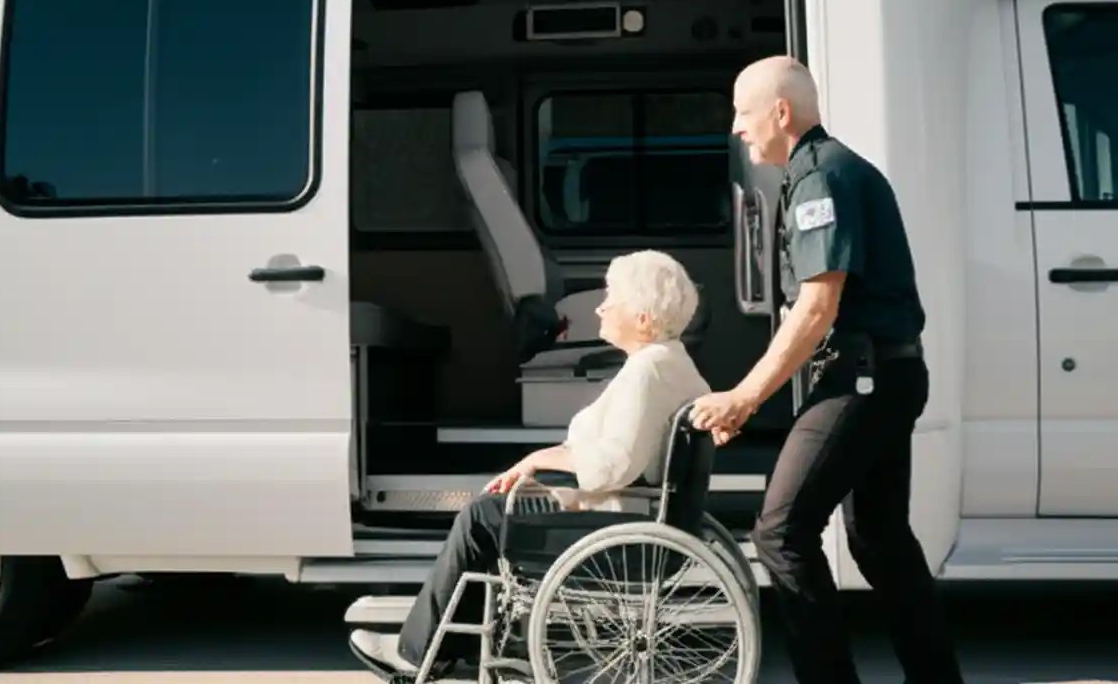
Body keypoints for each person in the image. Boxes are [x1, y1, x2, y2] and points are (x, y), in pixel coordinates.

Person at [690, 55, 965, 683]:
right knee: (879, 539)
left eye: (743, 111)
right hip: (886, 375)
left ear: (780, 113)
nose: (736, 127)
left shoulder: (822, 177)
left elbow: (817, 307)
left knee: (781, 532)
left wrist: (745, 397)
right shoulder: (823, 171)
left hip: (862, 378)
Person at [350, 249, 711, 680]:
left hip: (625, 534)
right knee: (491, 516)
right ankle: (444, 649)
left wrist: (540, 460)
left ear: (644, 319)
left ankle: (417, 655)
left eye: (612, 296)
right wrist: (543, 464)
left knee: (480, 517)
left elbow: (609, 469)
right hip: (647, 523)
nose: (600, 305)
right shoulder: (670, 363)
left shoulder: (647, 371)